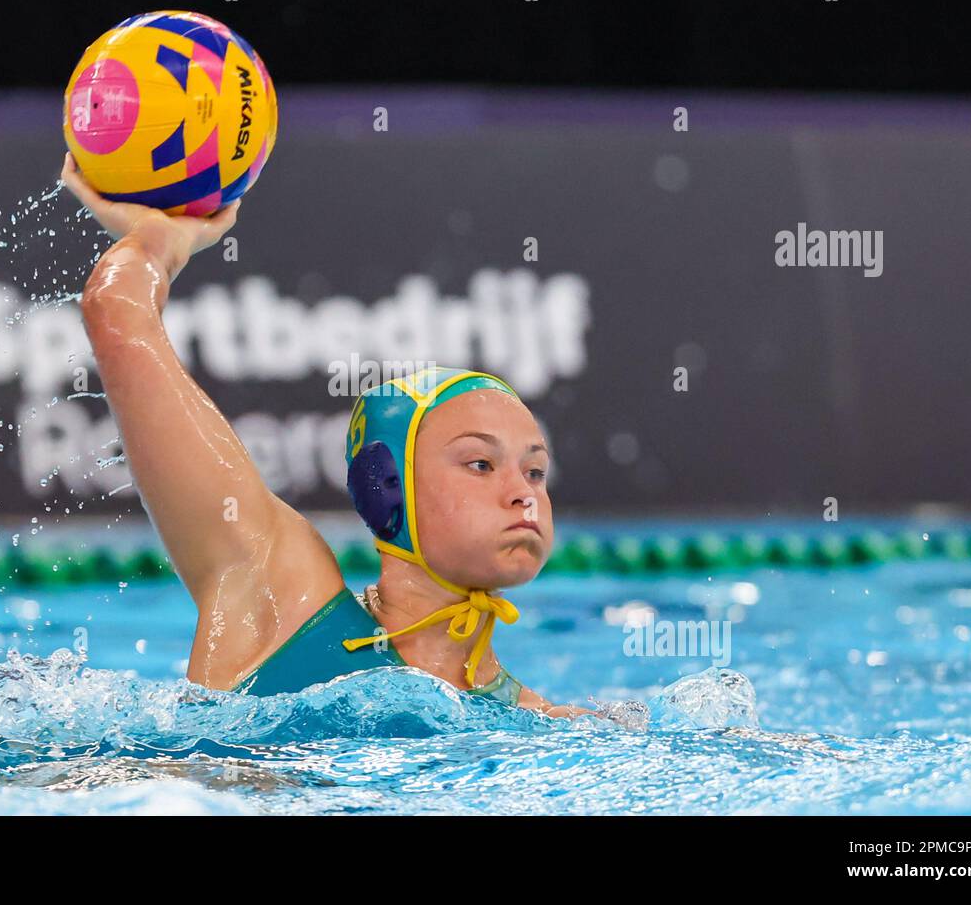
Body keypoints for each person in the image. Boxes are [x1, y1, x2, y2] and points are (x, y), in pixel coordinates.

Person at [62, 153, 592, 718]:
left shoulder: (547, 726)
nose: (524, 493)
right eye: (481, 465)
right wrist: (160, 237)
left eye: (535, 470)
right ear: (388, 486)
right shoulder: (279, 595)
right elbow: (115, 310)